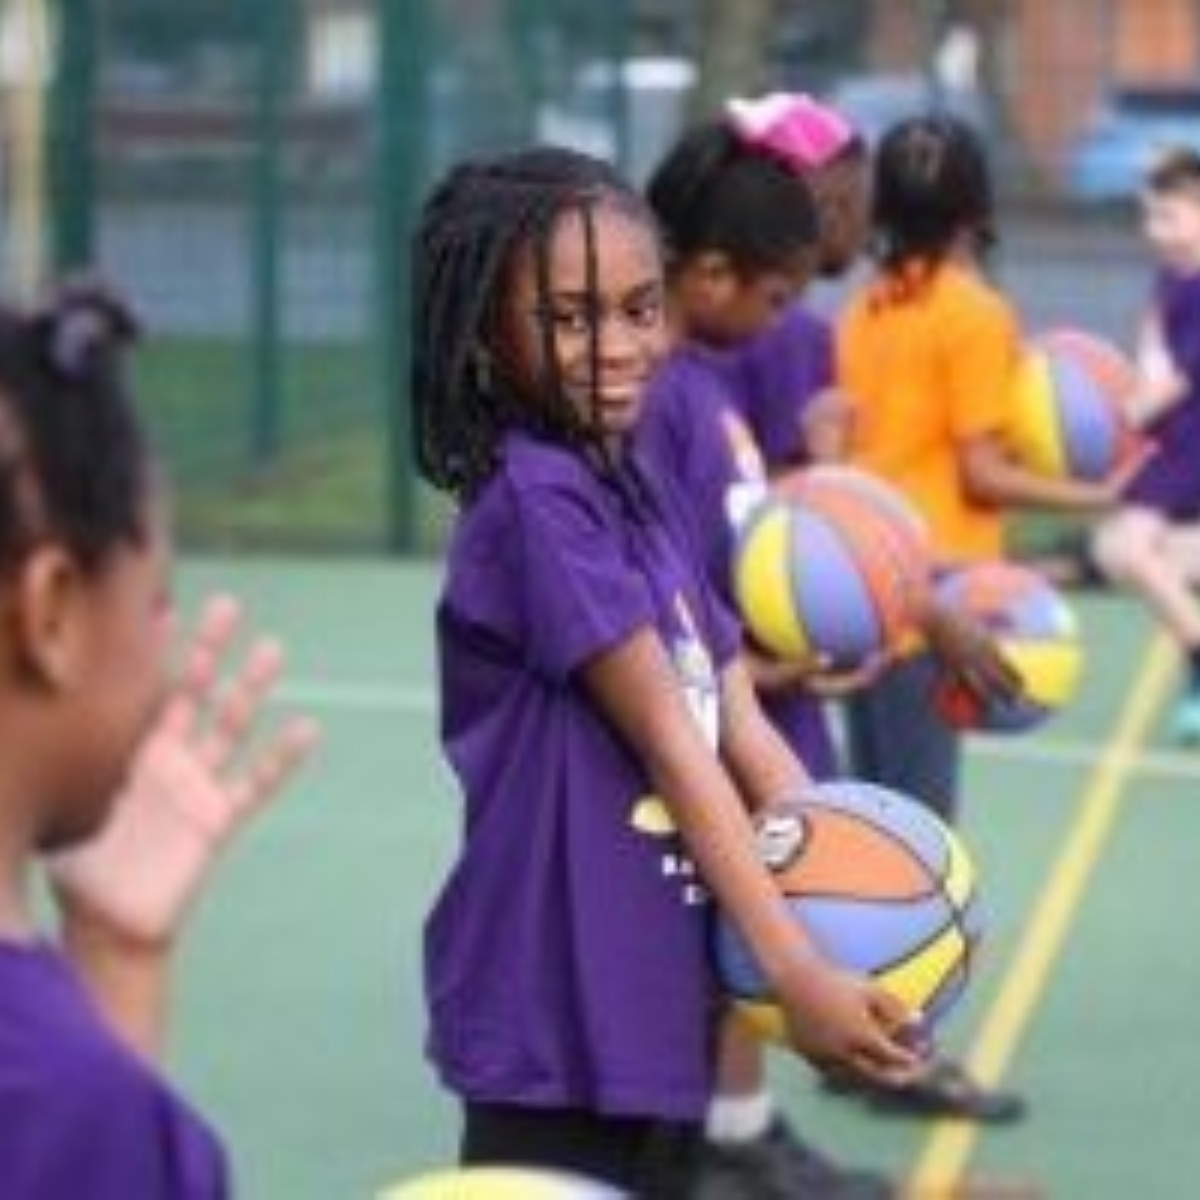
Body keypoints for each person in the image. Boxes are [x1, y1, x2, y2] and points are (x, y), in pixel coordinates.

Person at [412, 145, 922, 1196]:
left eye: (640, 310)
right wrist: (794, 968)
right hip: (554, 1003)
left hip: (652, 989)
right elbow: (675, 746)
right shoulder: (536, 502)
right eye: (569, 318)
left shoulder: (636, 487)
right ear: (485, 333)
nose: (617, 346)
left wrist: (853, 886)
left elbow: (740, 723)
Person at [834, 114, 1143, 1121]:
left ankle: (850, 1036)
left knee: (869, 834)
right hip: (941, 607)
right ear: (977, 207)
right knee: (921, 851)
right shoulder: (975, 313)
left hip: (863, 591)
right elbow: (981, 471)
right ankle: (904, 1061)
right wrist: (1108, 493)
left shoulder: (865, 308)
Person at [0, 282, 316, 1196]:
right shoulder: (76, 1109)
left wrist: (117, 957)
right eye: (156, 600)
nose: (168, 656)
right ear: (52, 613)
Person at [637, 100, 891, 1199]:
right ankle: (708, 1136)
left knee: (754, 917)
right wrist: (748, 674)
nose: (843, 228)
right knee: (715, 933)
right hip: (703, 721)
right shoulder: (663, 400)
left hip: (743, 696)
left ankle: (735, 1125)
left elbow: (737, 546)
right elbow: (662, 596)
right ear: (710, 272)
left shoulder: (701, 391)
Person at [1089, 147, 1200, 743]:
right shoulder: (1166, 280)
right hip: (1168, 445)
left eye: (1169, 216)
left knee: (1127, 550)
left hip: (1189, 449)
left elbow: (1178, 378)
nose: (1154, 230)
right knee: (1126, 552)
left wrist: (1124, 416)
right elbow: (1151, 357)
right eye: (1149, 216)